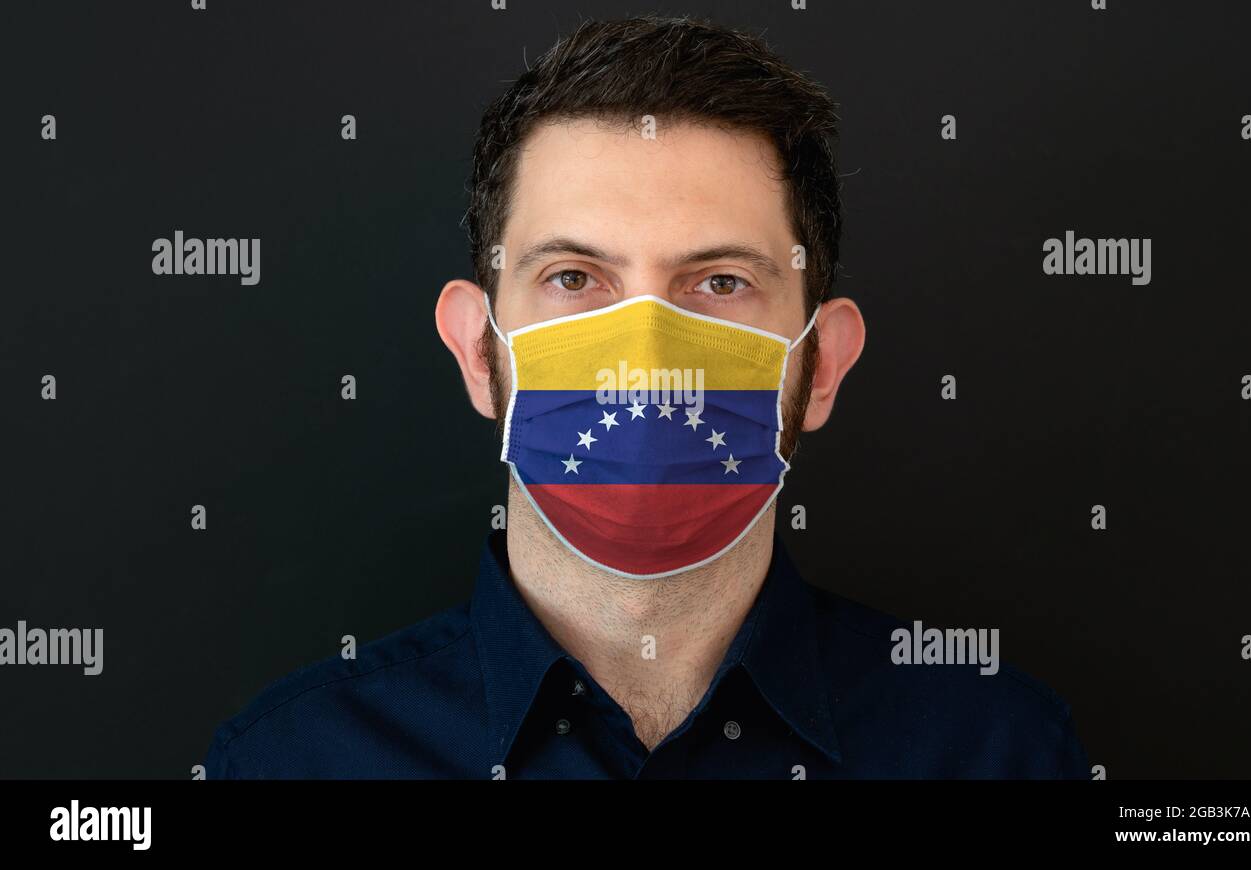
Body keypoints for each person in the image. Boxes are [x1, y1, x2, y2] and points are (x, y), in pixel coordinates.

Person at [202, 15, 1088, 779]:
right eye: (575, 276)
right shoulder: (291, 762)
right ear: (478, 350)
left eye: (719, 283)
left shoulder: (1000, 752)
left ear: (822, 365)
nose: (646, 355)